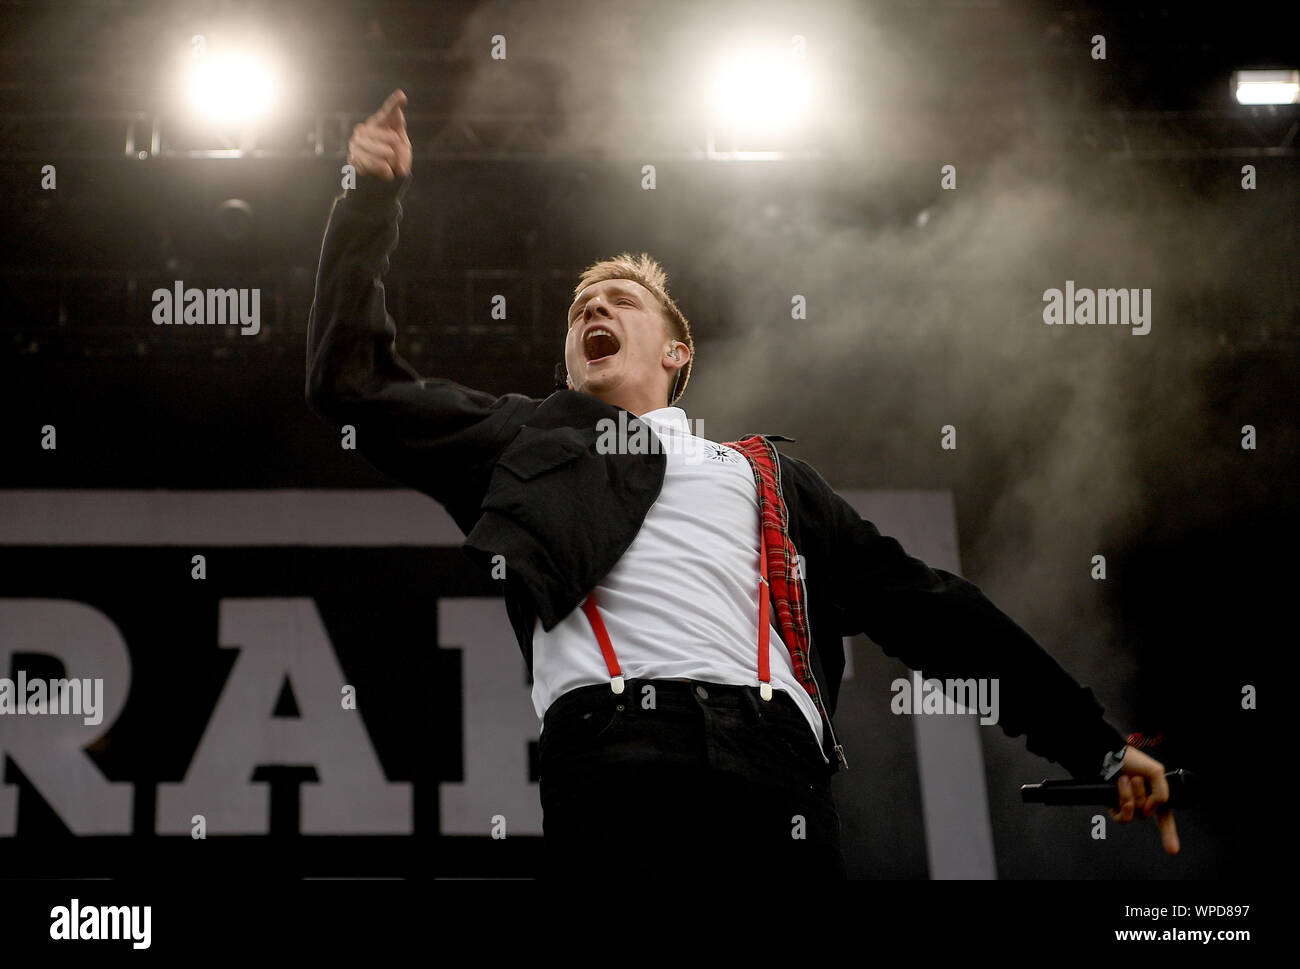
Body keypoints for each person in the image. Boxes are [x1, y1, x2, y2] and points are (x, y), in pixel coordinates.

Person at [306, 89, 1179, 878]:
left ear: (677, 352)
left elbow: (934, 610)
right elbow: (352, 383)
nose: (592, 312)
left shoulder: (768, 479)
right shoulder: (525, 439)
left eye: (618, 302)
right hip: (615, 761)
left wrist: (1097, 745)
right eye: (580, 312)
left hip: (777, 774)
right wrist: (368, 201)